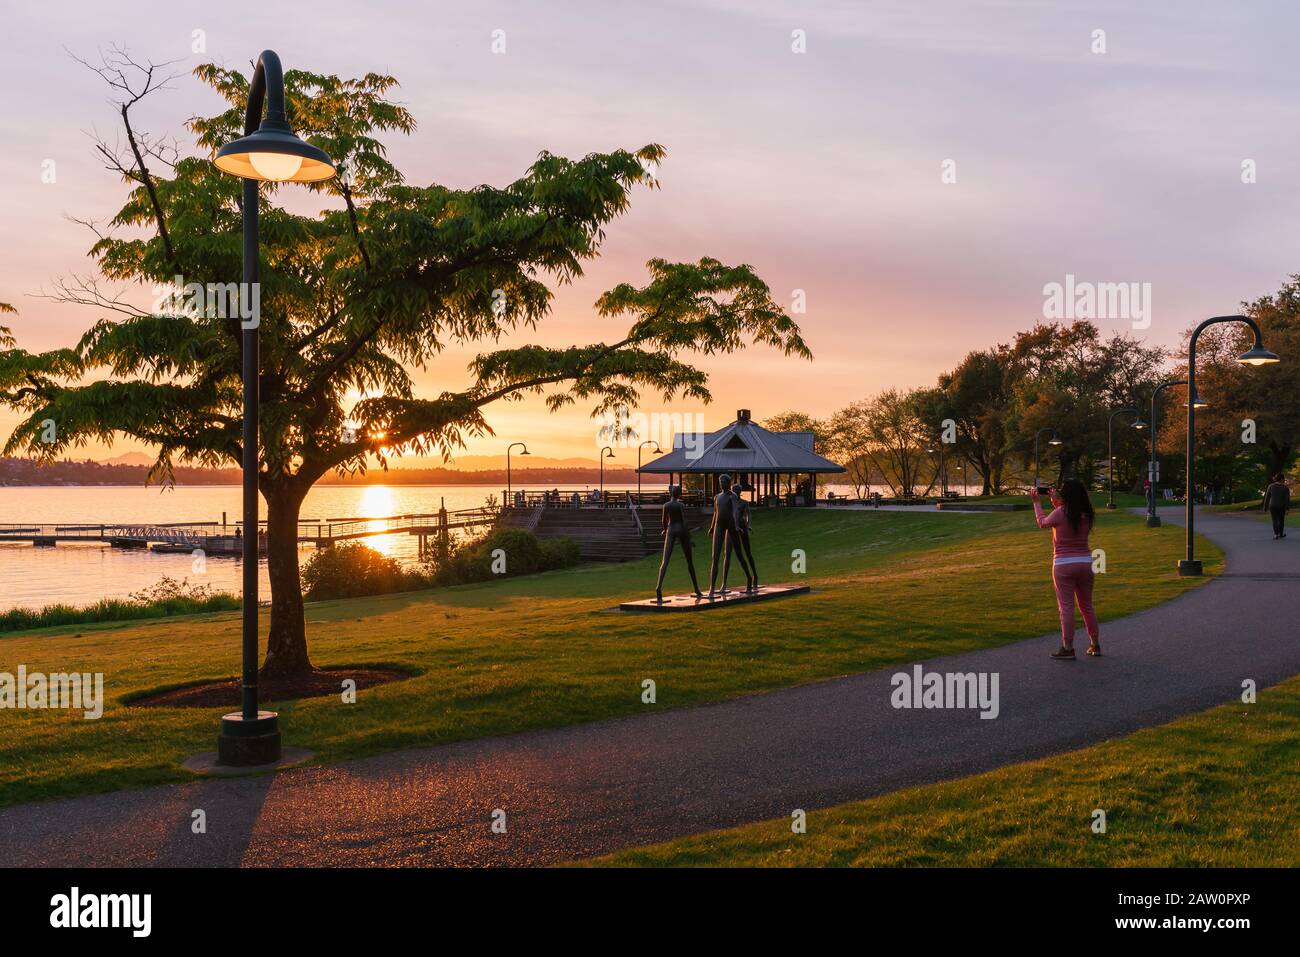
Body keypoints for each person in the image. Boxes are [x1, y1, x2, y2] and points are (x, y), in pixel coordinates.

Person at [1031, 479, 1100, 661]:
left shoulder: (1061, 512)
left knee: (1066, 607)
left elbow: (1043, 522)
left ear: (1066, 495)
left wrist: (1037, 503)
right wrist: (1055, 502)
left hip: (1063, 564)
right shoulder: (1087, 513)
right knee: (1087, 606)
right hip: (1085, 562)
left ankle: (1068, 647)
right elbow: (1071, 515)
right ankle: (1095, 644)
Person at [654, 485, 703, 602]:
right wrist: (689, 538)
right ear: (678, 494)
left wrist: (665, 530)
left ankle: (658, 587)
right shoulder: (680, 505)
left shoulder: (666, 505)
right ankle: (696, 588)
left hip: (671, 530)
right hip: (681, 530)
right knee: (689, 561)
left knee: (665, 561)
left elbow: (664, 521)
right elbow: (684, 521)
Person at [1263, 473, 1291, 540]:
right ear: (1281, 479)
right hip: (1281, 506)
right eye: (1284, 478)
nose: (1284, 480)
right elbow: (1287, 499)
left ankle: (1276, 534)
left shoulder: (1270, 486)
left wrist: (1265, 507)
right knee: (1281, 520)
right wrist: (1287, 508)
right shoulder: (1285, 488)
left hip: (1272, 506)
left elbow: (1267, 497)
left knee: (1274, 520)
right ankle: (1280, 534)